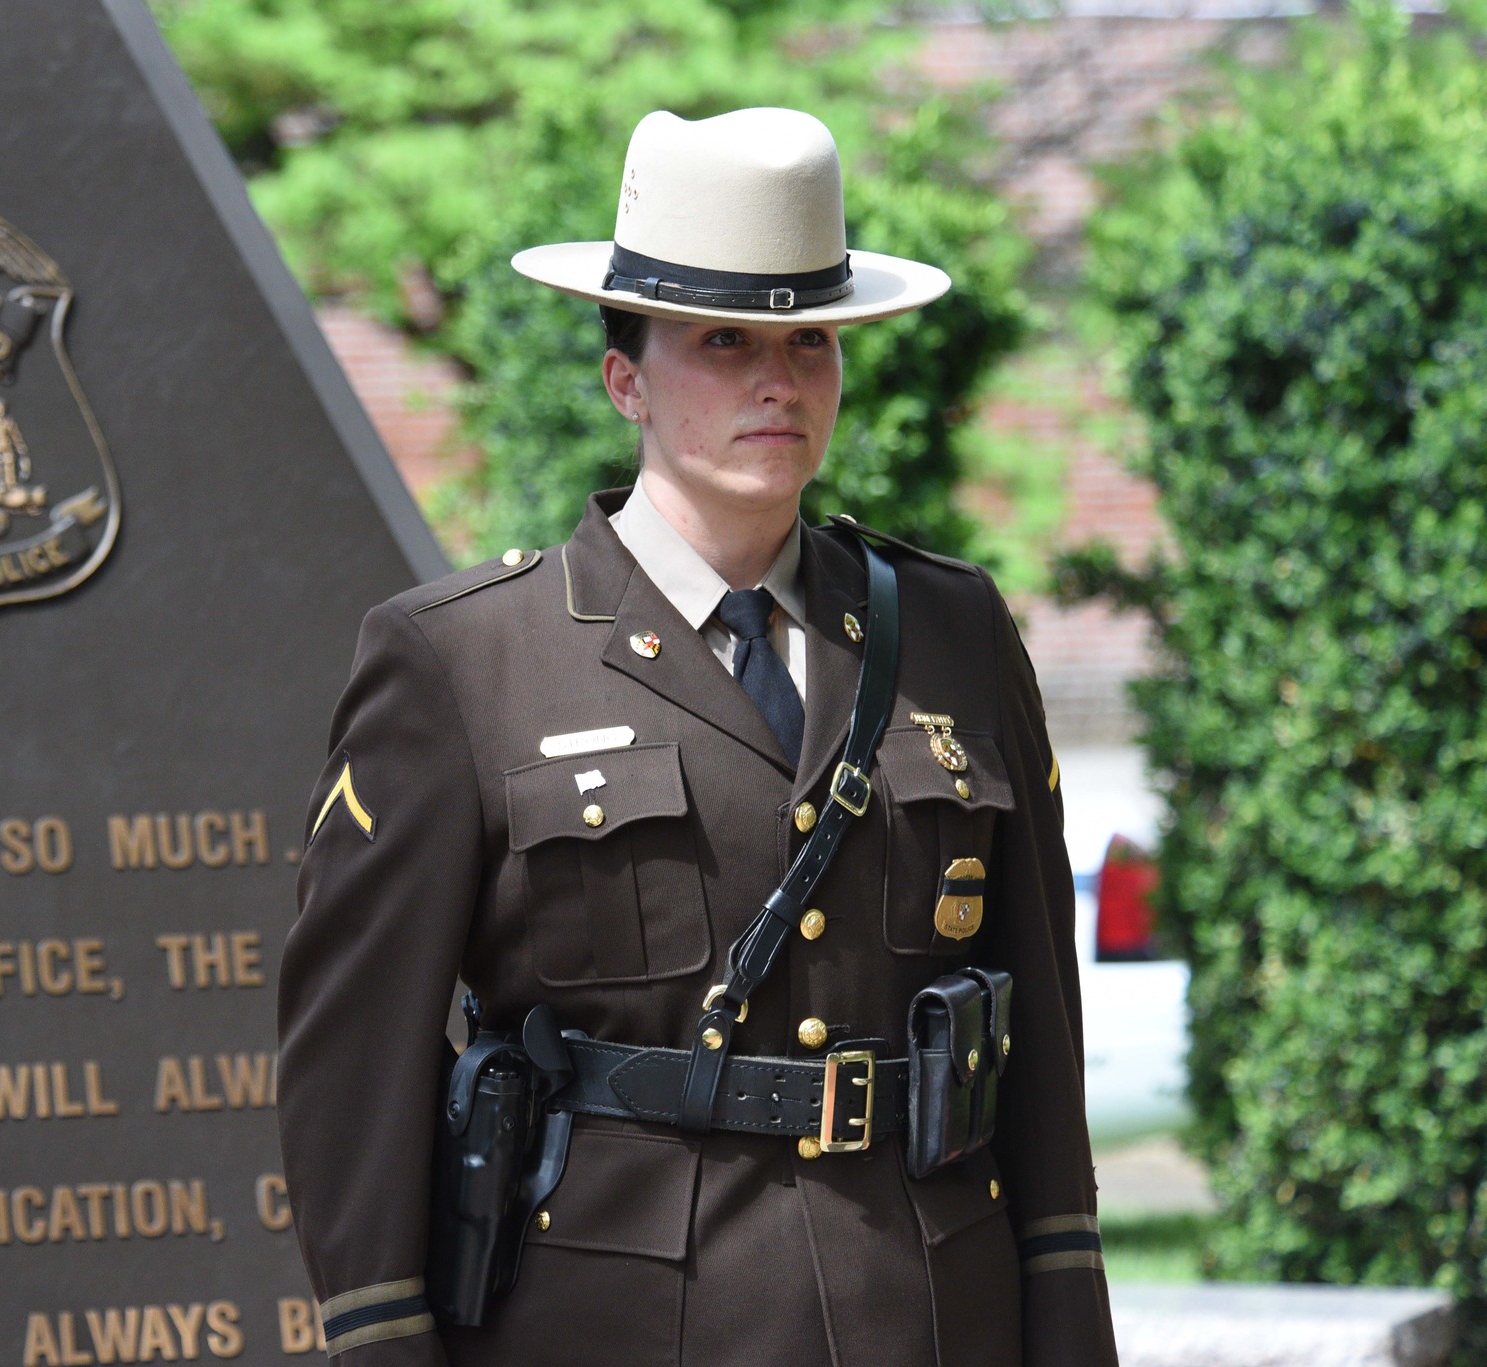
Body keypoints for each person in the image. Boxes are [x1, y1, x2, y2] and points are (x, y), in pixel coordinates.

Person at [278, 106, 1119, 1367]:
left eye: (809, 341)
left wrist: (1067, 1321)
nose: (777, 380)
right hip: (609, 1319)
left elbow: (1040, 1045)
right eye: (724, 341)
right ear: (625, 376)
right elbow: (356, 1071)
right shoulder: (465, 660)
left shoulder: (949, 630)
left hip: (931, 1313)